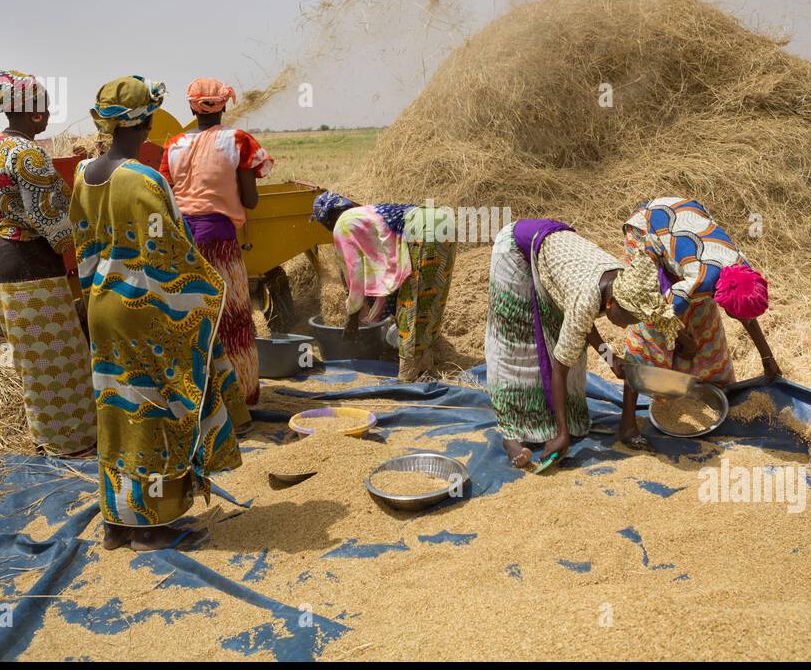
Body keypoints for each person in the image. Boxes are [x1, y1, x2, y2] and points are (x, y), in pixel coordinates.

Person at [70, 76, 245, 550]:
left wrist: (90, 300)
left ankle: (116, 520)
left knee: (116, 407)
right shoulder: (144, 179)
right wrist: (210, 289)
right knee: (157, 408)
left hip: (103, 305)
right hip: (145, 308)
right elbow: (171, 255)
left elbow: (84, 247)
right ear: (146, 121)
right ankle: (150, 524)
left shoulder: (84, 173)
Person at [485, 219, 665, 468]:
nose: (625, 327)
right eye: (623, 321)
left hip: (561, 259)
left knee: (569, 341)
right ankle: (512, 434)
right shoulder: (587, 299)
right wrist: (563, 436)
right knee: (517, 344)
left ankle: (564, 421)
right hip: (515, 249)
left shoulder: (625, 283)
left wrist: (610, 359)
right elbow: (561, 367)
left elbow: (582, 320)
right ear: (610, 304)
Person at [0, 69, 96, 456]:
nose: (48, 114)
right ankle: (73, 443)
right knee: (60, 357)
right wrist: (86, 248)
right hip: (27, 260)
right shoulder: (28, 153)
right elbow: (47, 218)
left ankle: (48, 437)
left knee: (35, 360)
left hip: (5, 256)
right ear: (33, 114)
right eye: (45, 108)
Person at [616, 197, 779, 447]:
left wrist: (768, 359)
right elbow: (658, 312)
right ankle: (627, 427)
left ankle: (714, 394)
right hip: (648, 229)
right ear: (723, 299)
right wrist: (682, 338)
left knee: (706, 327)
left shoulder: (741, 269)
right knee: (647, 335)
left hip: (686, 231)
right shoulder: (696, 283)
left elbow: (746, 313)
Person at [159, 78, 274, 405]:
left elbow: (166, 192)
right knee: (232, 319)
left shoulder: (174, 144)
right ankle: (240, 399)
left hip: (181, 241)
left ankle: (198, 400)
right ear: (224, 105)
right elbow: (251, 201)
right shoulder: (238, 141)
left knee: (193, 319)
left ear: (191, 106)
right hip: (218, 240)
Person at [310, 191, 458, 381]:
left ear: (327, 219)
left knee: (410, 304)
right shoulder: (364, 215)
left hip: (422, 230)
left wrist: (352, 318)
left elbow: (355, 274)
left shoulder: (342, 226)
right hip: (443, 220)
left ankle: (408, 375)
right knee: (430, 302)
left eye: (323, 224)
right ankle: (425, 366)